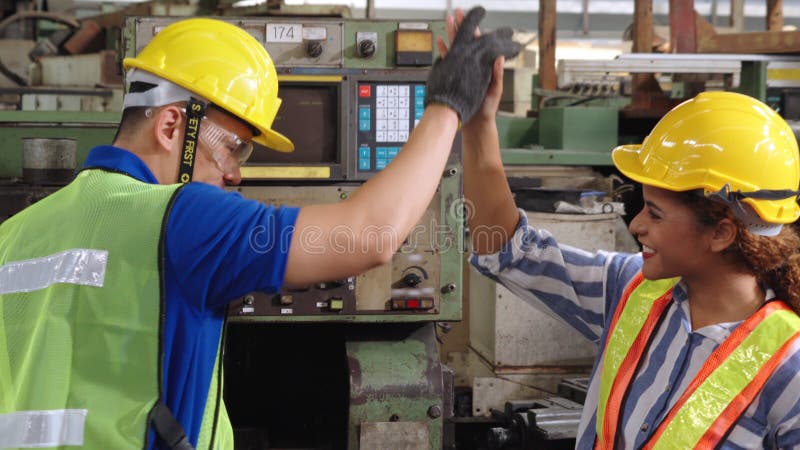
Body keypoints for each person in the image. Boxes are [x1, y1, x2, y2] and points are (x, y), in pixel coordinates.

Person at [0, 10, 519, 450]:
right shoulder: (182, 217)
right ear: (170, 127)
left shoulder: (17, 233)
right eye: (233, 147)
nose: (236, 174)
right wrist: (450, 106)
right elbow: (371, 235)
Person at [439, 11, 800, 449]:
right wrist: (478, 121)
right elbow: (509, 249)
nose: (637, 225)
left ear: (721, 233)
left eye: (655, 213)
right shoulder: (632, 290)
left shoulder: (788, 370)